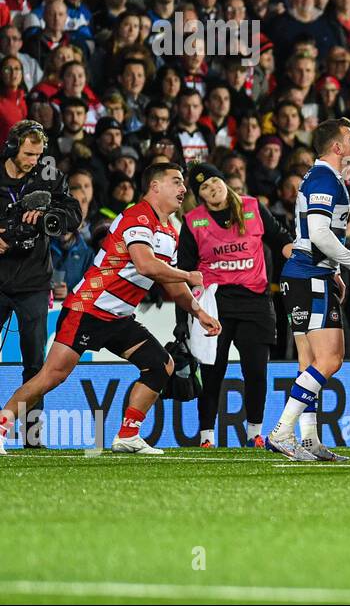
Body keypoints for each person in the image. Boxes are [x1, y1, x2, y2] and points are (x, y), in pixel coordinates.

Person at [0, 161, 221, 455]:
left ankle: (127, 435)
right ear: (155, 186)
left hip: (119, 316)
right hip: (88, 308)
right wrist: (187, 275)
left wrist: (198, 311)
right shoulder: (137, 217)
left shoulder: (170, 231)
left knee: (161, 365)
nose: (183, 189)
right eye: (177, 181)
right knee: (51, 376)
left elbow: (171, 284)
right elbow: (146, 264)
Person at [266, 118, 350, 462]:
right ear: (336, 147)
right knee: (331, 359)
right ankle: (282, 432)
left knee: (309, 362)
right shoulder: (325, 179)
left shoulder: (323, 178)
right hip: (308, 275)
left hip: (309, 274)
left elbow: (314, 236)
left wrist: (334, 269)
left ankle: (310, 440)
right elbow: (318, 232)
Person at [178, 163, 293, 448]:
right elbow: (183, 272)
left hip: (255, 301)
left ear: (224, 181)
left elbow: (280, 238)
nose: (212, 188)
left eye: (215, 181)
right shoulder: (193, 221)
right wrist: (184, 319)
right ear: (200, 195)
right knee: (212, 371)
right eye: (204, 187)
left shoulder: (253, 207)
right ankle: (206, 436)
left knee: (255, 371)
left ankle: (254, 433)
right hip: (215, 303)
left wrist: (301, 258)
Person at [0, 121, 82, 447]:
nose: (34, 160)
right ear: (11, 148)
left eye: (38, 153)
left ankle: (33, 437)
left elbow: (73, 213)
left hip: (34, 282)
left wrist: (49, 209)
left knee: (35, 364)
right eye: (27, 154)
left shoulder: (47, 174)